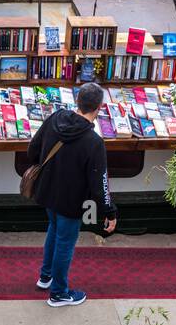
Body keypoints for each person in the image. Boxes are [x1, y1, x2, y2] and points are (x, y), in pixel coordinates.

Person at [26, 81, 117, 307]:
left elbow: (33, 149)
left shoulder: (56, 118)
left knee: (54, 230)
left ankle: (45, 277)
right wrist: (110, 212)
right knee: (65, 242)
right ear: (98, 107)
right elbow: (99, 183)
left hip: (47, 190)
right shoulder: (94, 142)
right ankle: (59, 293)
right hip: (71, 200)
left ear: (78, 101)